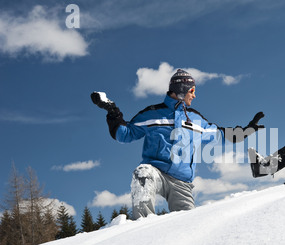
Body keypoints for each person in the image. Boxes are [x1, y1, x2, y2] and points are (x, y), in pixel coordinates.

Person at [91, 69, 265, 219]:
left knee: (188, 226)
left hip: (182, 182)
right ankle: (142, 228)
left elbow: (220, 134)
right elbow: (124, 134)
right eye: (192, 90)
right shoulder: (152, 114)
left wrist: (247, 130)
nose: (194, 95)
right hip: (156, 173)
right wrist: (112, 111)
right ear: (182, 90)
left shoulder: (196, 120)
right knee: (142, 173)